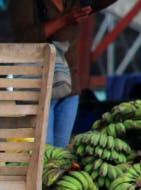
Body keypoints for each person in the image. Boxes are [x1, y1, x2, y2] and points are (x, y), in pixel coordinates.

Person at [11, 0, 117, 148]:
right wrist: (64, 20)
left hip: (69, 86)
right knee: (43, 155)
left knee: (60, 155)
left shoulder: (75, 3)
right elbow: (24, 37)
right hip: (38, 86)